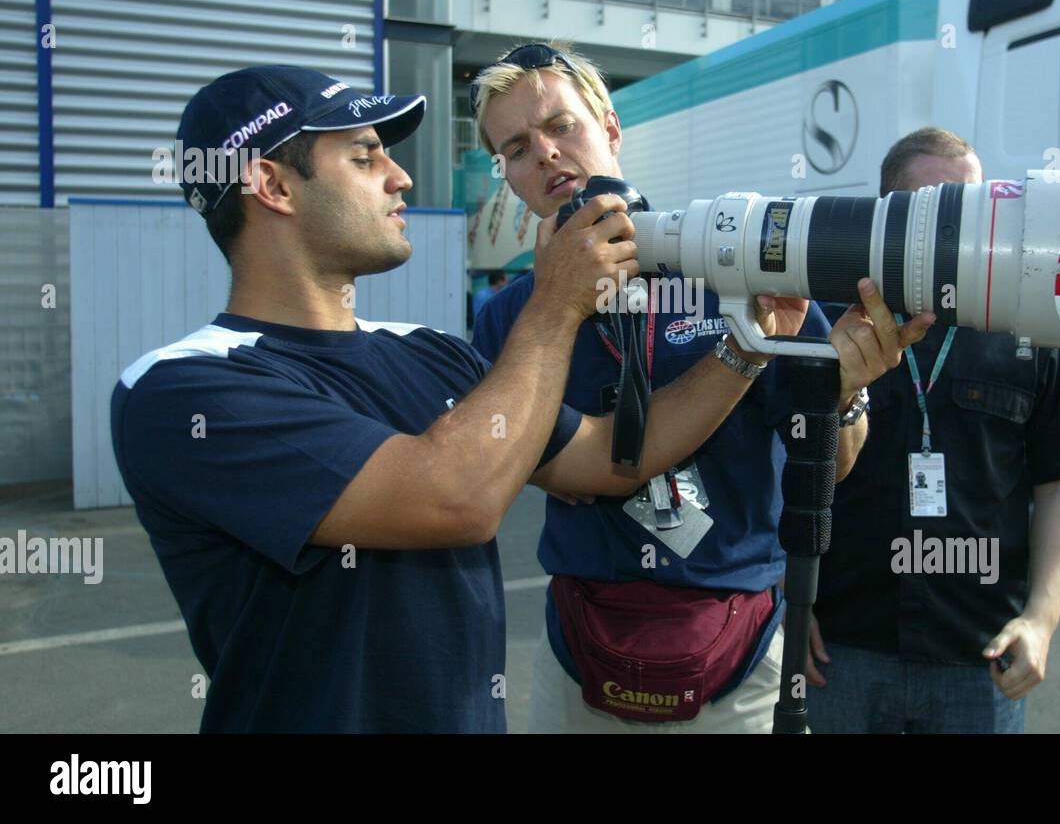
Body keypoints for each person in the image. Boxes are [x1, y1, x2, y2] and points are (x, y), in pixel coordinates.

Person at [110, 65, 841, 733]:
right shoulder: (182, 389)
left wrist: (748, 343)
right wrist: (556, 306)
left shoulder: (423, 350)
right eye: (365, 157)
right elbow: (455, 496)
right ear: (272, 186)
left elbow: (617, 454)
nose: (400, 177)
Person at [470, 41, 934, 733]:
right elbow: (501, 458)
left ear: (611, 127)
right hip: (577, 656)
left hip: (734, 665)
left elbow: (832, 463)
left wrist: (844, 393)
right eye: (515, 147)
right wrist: (541, 462)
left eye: (561, 125)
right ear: (507, 175)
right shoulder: (509, 316)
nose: (543, 153)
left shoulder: (731, 261)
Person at [806, 126, 1060, 733]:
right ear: (884, 212)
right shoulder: (825, 319)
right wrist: (788, 598)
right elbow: (774, 464)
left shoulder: (1027, 323)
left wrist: (1042, 620)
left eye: (967, 206)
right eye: (927, 209)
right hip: (841, 648)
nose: (949, 228)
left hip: (980, 658)